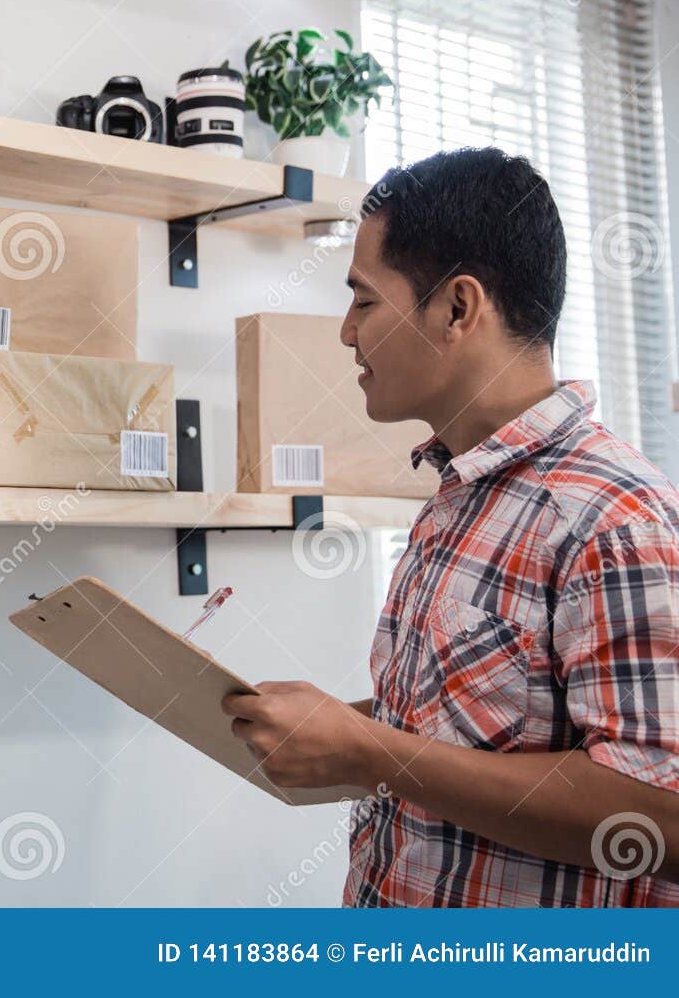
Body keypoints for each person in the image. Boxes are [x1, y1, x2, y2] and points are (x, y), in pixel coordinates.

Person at [222, 146, 679, 906]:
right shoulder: (456, 495)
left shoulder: (613, 517)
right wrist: (341, 731)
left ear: (458, 308)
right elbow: (479, 728)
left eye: (364, 301)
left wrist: (370, 751)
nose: (345, 332)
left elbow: (661, 817)